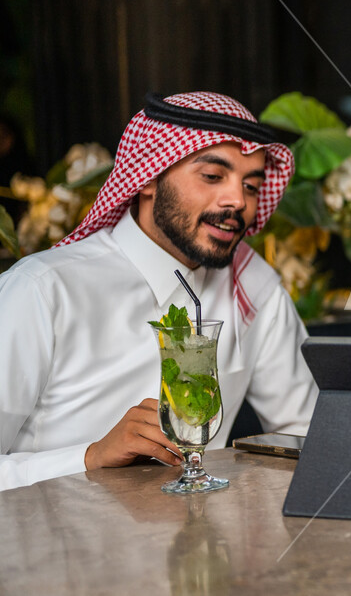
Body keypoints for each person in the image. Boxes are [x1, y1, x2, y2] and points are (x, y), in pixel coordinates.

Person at [0, 92, 318, 491]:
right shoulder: (44, 290)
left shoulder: (253, 287)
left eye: (252, 186)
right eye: (212, 176)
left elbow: (306, 434)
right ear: (148, 176)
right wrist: (89, 457)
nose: (237, 200)